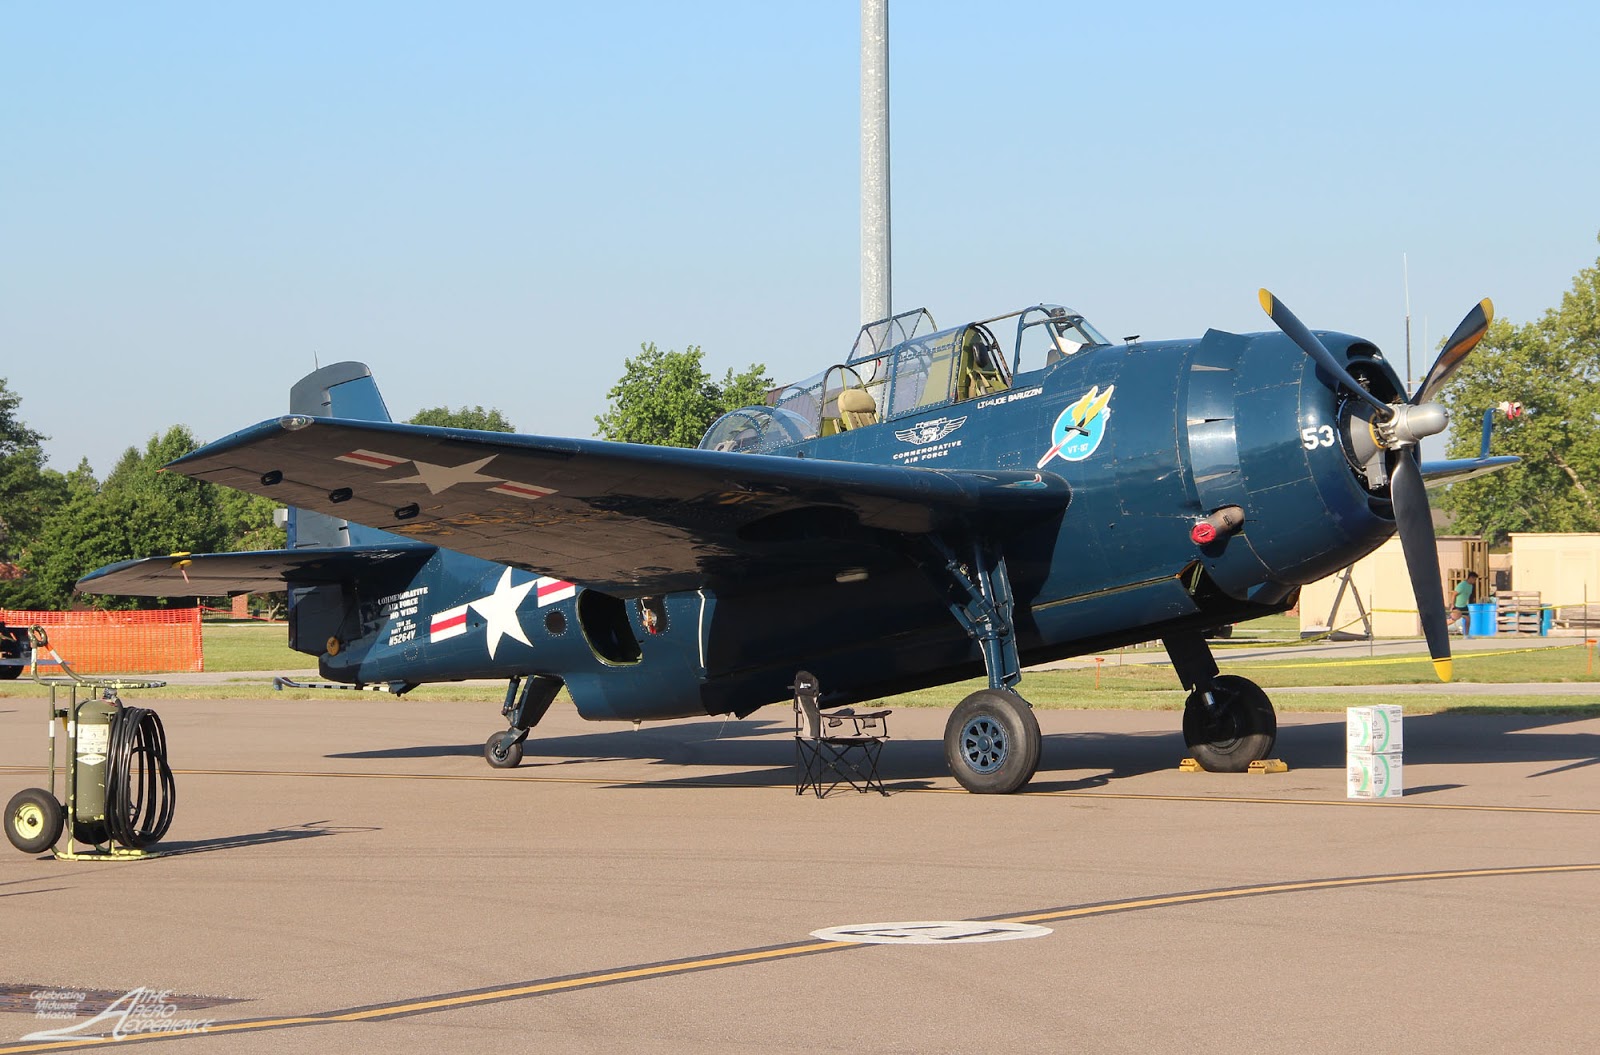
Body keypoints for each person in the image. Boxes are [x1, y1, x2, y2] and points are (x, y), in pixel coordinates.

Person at [1451, 571, 1480, 635]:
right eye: (1474, 579)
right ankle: (1440, 626)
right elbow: (1453, 594)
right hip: (1457, 606)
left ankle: (1466, 635)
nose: (1475, 581)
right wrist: (1452, 605)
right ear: (1471, 578)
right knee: (1453, 620)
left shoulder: (1471, 586)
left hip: (1464, 606)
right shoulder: (1462, 585)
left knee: (1468, 620)